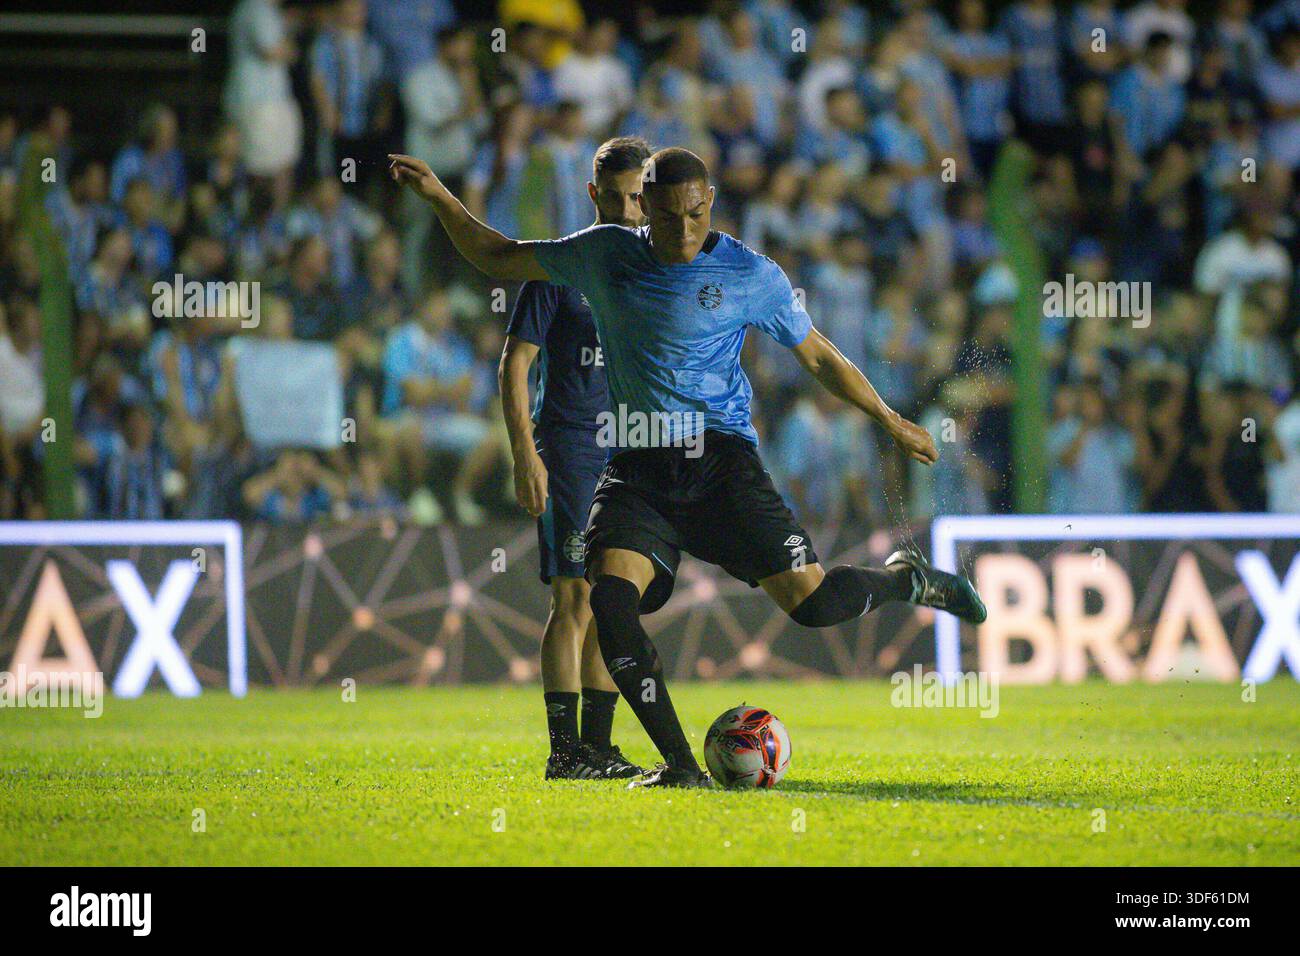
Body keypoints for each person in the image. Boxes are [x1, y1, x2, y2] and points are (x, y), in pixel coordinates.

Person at [389, 145, 987, 788]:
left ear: (711, 205)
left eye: (696, 214)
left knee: (812, 606)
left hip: (721, 461)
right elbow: (494, 255)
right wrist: (440, 198)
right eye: (669, 216)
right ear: (643, 207)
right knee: (609, 601)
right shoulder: (603, 252)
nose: (683, 229)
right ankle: (679, 765)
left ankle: (906, 581)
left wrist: (890, 421)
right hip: (638, 464)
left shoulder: (750, 273)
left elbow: (818, 357)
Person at [499, 136, 652, 781]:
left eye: (636, 197)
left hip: (633, 450)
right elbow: (515, 364)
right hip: (568, 449)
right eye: (612, 197)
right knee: (574, 599)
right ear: (593, 195)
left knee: (614, 602)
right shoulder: (560, 266)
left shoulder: (658, 268)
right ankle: (565, 754)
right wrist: (524, 453)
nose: (625, 208)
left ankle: (596, 748)